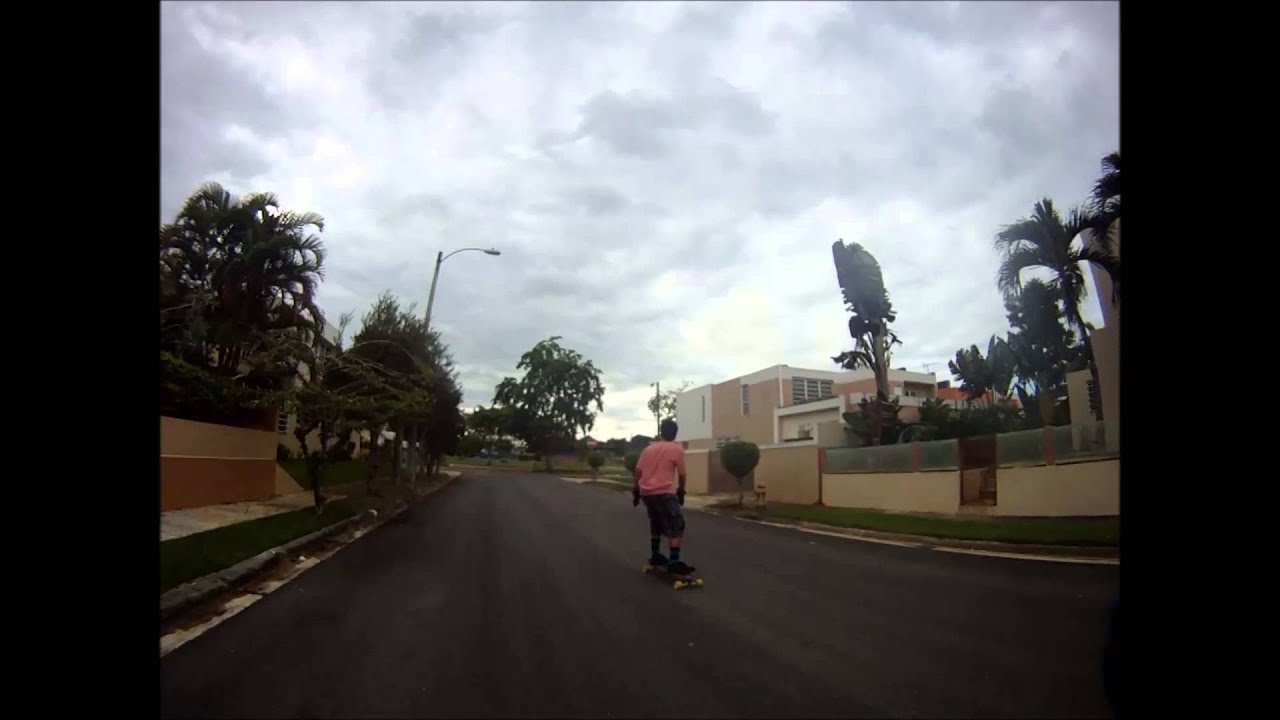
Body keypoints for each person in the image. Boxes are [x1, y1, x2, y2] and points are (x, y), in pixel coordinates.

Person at [632, 418, 694, 575]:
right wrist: (681, 492)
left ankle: (655, 555)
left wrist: (636, 492)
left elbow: (638, 471)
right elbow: (682, 474)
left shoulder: (648, 449)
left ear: (661, 431)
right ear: (675, 433)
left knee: (656, 522)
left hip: (646, 493)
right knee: (677, 524)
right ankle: (673, 562)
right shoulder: (676, 449)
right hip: (664, 492)